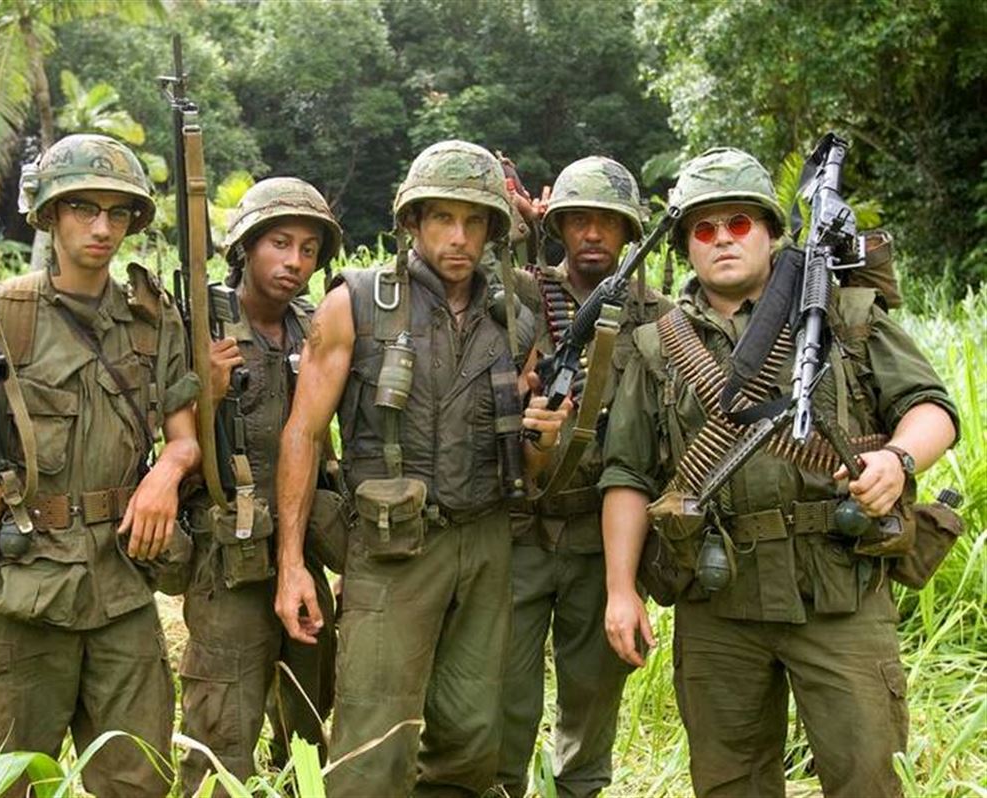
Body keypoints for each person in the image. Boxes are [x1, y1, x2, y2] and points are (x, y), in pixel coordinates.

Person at [599, 147, 959, 798]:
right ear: (686, 246)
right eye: (705, 229)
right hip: (720, 597)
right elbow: (627, 473)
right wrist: (621, 589)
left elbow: (930, 407)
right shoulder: (659, 347)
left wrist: (897, 458)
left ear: (770, 232)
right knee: (729, 783)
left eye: (739, 223)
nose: (723, 239)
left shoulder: (844, 316)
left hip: (839, 588)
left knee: (867, 779)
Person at [0, 133, 200, 797]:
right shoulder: (1, 314)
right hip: (22, 588)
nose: (102, 228)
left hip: (121, 582)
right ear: (49, 215)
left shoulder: (152, 321)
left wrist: (166, 473)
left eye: (117, 213)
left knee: (138, 782)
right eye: (83, 208)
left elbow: (184, 437)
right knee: (13, 782)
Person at [273, 139, 571, 797]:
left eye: (474, 221)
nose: (458, 238)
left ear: (493, 229)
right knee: (372, 746)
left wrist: (544, 436)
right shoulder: (356, 302)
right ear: (412, 222)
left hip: (486, 543)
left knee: (470, 738)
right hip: (393, 548)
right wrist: (292, 564)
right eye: (442, 218)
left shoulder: (517, 317)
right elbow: (302, 433)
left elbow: (530, 459)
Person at [496, 156, 671, 798]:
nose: (592, 233)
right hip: (520, 530)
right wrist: (512, 226)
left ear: (628, 232)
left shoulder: (660, 318)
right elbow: (459, 269)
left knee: (592, 701)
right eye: (577, 221)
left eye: (607, 221)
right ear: (558, 227)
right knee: (503, 697)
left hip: (605, 537)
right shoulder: (522, 294)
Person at [178, 177, 342, 793]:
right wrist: (204, 392)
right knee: (221, 731)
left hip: (304, 548)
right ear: (245, 246)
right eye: (280, 243)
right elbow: (159, 442)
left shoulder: (317, 328)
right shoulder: (201, 327)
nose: (294, 262)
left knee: (310, 716)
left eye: (308, 249)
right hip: (229, 559)